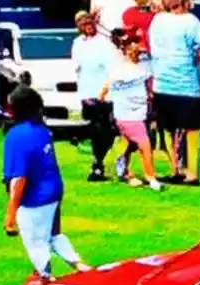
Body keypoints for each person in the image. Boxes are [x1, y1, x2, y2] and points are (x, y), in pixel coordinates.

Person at [2, 87, 91, 283]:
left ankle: (46, 279)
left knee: (36, 243)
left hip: (35, 199)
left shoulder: (17, 135)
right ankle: (80, 265)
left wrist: (10, 215)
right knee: (53, 234)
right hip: (54, 190)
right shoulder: (41, 129)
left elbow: (19, 179)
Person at [149, 0, 200, 184]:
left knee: (168, 128)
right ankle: (192, 173)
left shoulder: (157, 21)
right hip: (187, 85)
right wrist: (193, 58)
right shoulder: (191, 22)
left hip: (162, 82)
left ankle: (175, 169)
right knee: (192, 129)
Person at [102, 32, 161, 190]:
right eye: (131, 50)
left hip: (140, 112)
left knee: (128, 144)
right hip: (125, 113)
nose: (135, 53)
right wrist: (101, 103)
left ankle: (124, 170)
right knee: (145, 144)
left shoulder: (143, 68)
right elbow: (106, 89)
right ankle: (151, 178)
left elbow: (149, 86)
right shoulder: (119, 70)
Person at [72, 11, 119, 182]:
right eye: (80, 21)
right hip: (87, 94)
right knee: (94, 130)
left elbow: (112, 69)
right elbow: (77, 68)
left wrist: (105, 92)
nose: (86, 23)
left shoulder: (105, 43)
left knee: (105, 131)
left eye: (88, 19)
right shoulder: (77, 43)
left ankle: (99, 163)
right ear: (77, 25)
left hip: (104, 94)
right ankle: (97, 164)